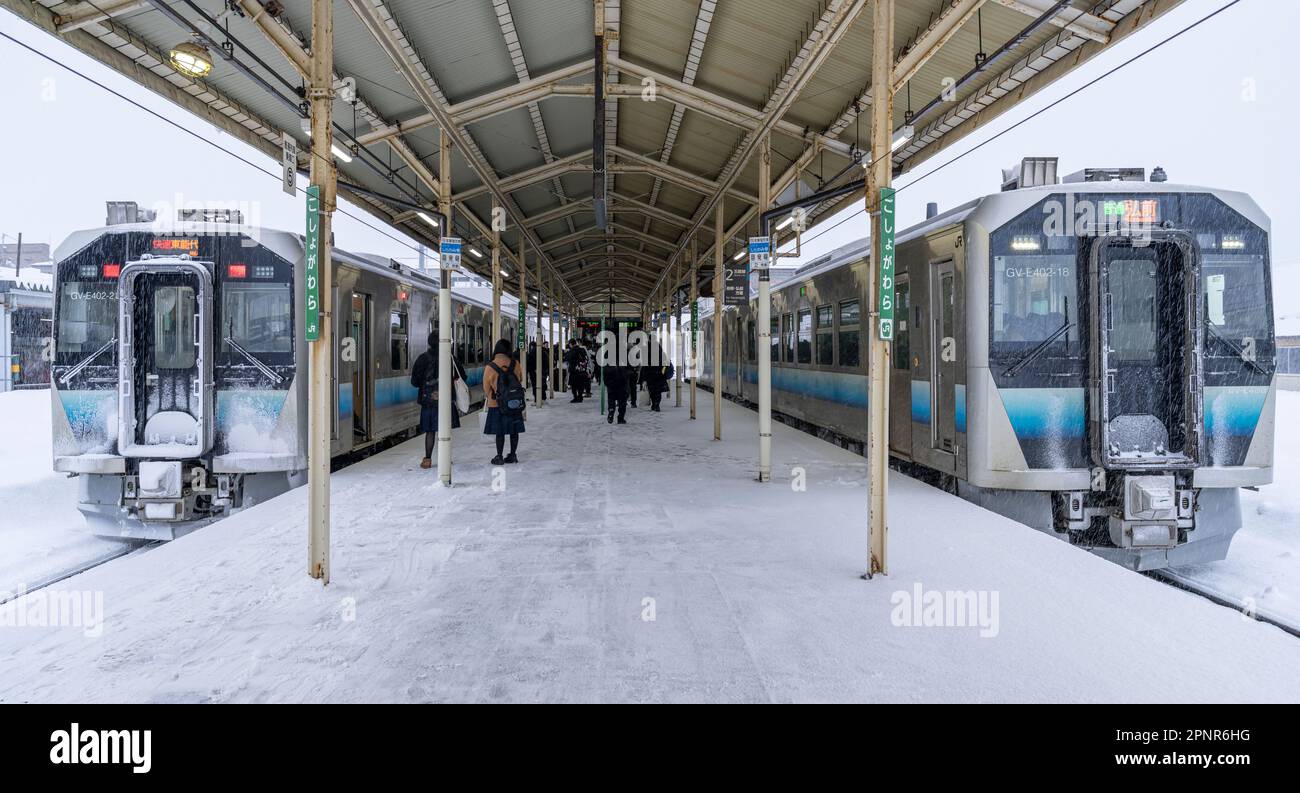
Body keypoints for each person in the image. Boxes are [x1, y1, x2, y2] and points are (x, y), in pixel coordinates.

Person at [410, 332, 461, 469]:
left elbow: (414, 382)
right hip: (446, 401)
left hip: (428, 402)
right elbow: (462, 377)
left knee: (430, 432)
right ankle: (446, 458)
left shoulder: (422, 359)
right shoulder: (450, 358)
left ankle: (427, 459)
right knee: (446, 431)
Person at [482, 338, 527, 465]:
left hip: (497, 404)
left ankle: (499, 456)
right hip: (514, 403)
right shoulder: (515, 363)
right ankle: (513, 455)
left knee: (499, 432)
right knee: (514, 430)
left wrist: (494, 396)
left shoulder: (490, 366)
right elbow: (520, 379)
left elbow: (486, 388)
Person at [642, 341, 674, 412]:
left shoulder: (647, 355)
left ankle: (654, 404)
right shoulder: (662, 354)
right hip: (660, 376)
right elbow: (666, 364)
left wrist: (644, 378)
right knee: (658, 392)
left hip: (650, 376)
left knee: (652, 391)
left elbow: (645, 367)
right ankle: (656, 404)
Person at [602, 359, 630, 425]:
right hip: (622, 383)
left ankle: (611, 411)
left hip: (612, 383)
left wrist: (607, 382)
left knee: (611, 399)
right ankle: (620, 418)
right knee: (622, 402)